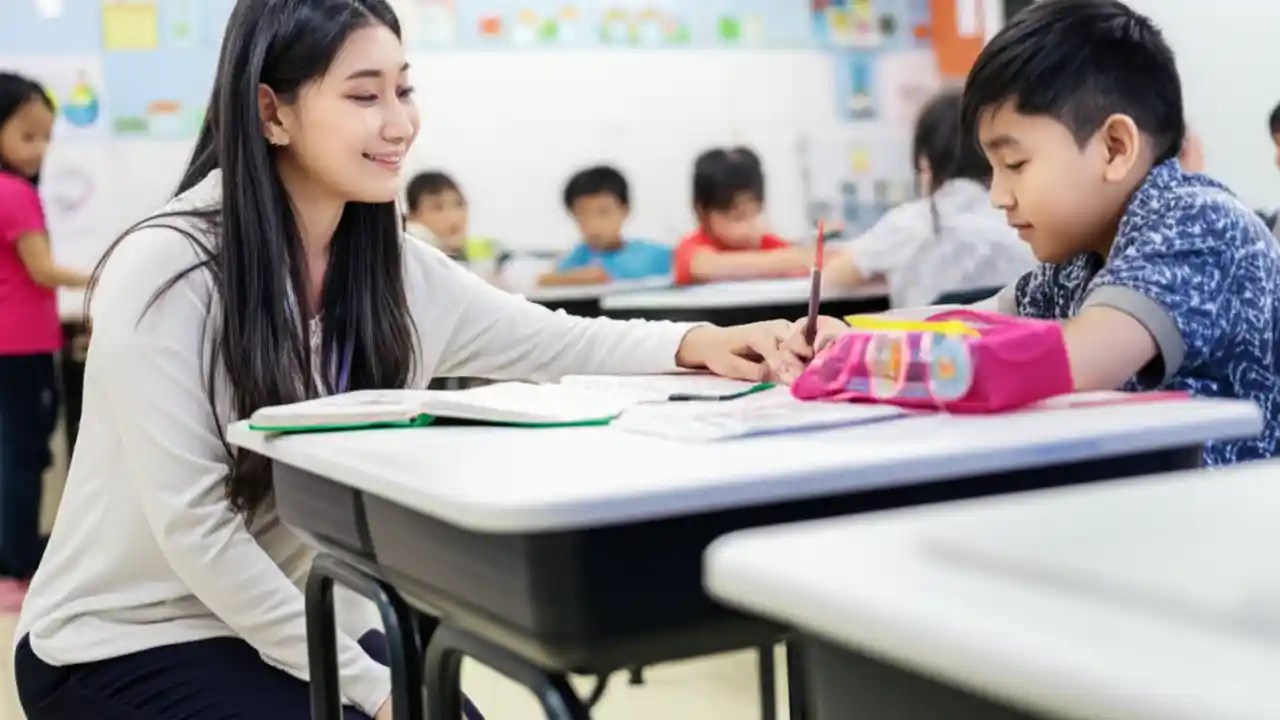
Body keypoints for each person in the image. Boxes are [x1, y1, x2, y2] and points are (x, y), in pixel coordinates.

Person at [12, 2, 794, 719]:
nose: (400, 124)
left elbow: (557, 337)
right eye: (364, 95)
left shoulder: (391, 264)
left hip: (286, 615)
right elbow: (198, 531)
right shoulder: (169, 269)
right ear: (271, 111)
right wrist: (373, 691)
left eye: (404, 89)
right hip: (120, 641)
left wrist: (700, 343)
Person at [782, 0, 1280, 467]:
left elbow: (1076, 359)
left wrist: (866, 362)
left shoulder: (1195, 222)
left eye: (1015, 163)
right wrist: (846, 333)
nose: (999, 194)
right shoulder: (1083, 257)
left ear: (1113, 147)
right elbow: (972, 321)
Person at [0, 72, 90, 612]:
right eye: (28, 136)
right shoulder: (15, 195)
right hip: (20, 347)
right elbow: (41, 270)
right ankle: (17, 568)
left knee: (13, 453)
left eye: (46, 137)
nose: (40, 150)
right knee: (24, 457)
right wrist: (107, 273)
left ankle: (13, 558)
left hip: (14, 345)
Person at [823, 88, 1033, 308]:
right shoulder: (1019, 222)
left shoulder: (909, 224)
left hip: (925, 340)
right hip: (1009, 340)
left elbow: (833, 278)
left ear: (924, 162)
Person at [672, 147, 811, 285]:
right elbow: (703, 266)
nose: (752, 227)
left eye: (757, 213)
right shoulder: (691, 247)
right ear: (703, 212)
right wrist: (786, 262)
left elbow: (805, 261)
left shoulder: (767, 243)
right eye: (737, 218)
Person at [539, 165, 672, 286]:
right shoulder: (578, 257)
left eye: (603, 212)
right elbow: (543, 280)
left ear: (625, 209)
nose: (593, 223)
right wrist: (578, 278)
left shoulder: (654, 255)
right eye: (583, 214)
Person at [403, 170, 500, 269]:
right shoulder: (408, 261)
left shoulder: (480, 254)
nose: (453, 216)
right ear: (412, 217)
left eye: (459, 204)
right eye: (437, 207)